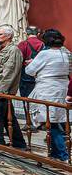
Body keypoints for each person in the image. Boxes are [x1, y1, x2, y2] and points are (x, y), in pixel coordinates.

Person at [23, 27, 70, 161]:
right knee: (57, 120)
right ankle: (55, 153)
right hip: (62, 88)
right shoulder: (66, 53)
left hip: (47, 89)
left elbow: (30, 71)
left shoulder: (45, 54)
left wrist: (31, 63)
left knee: (51, 122)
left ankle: (62, 154)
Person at [0, 25, 26, 149]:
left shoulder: (13, 50)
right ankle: (18, 143)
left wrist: (1, 91)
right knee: (7, 117)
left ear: (8, 36)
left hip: (2, 91)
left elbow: (9, 72)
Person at [18, 27, 43, 99]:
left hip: (25, 75)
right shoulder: (42, 44)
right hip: (39, 74)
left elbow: (19, 60)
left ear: (26, 33)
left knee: (26, 98)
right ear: (38, 34)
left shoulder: (23, 44)